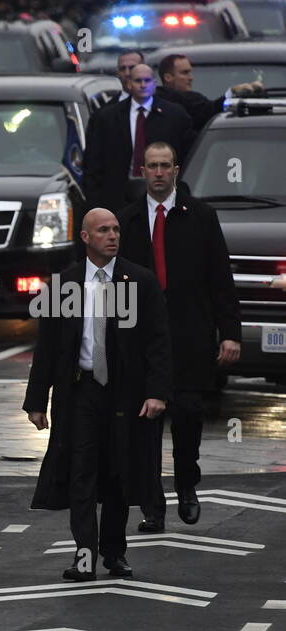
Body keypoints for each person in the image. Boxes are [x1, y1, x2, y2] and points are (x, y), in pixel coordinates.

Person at [23, 208, 172, 581]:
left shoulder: (140, 283)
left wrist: (157, 392)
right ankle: (85, 554)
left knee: (119, 471)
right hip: (81, 390)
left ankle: (114, 553)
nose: (112, 236)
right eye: (103, 230)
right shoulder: (63, 285)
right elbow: (48, 347)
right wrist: (37, 401)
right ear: (85, 237)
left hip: (126, 393)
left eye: (116, 229)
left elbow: (159, 343)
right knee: (81, 472)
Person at [119, 142, 241, 532]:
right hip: (140, 341)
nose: (158, 172)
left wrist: (230, 334)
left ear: (176, 170)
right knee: (145, 425)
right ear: (143, 170)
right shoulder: (129, 220)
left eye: (165, 166)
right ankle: (152, 506)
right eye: (151, 166)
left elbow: (221, 280)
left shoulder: (201, 217)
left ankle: (187, 483)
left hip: (189, 337)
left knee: (187, 416)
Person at [83, 63, 191, 214]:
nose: (142, 85)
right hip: (117, 197)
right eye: (137, 81)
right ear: (128, 84)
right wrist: (95, 203)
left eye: (147, 81)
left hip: (163, 195)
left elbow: (185, 157)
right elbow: (94, 163)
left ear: (154, 84)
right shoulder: (107, 118)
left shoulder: (175, 116)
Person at [156, 54, 264, 131]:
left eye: (190, 72)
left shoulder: (194, 99)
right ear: (168, 77)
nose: (191, 78)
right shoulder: (157, 102)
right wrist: (232, 92)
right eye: (185, 73)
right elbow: (208, 112)